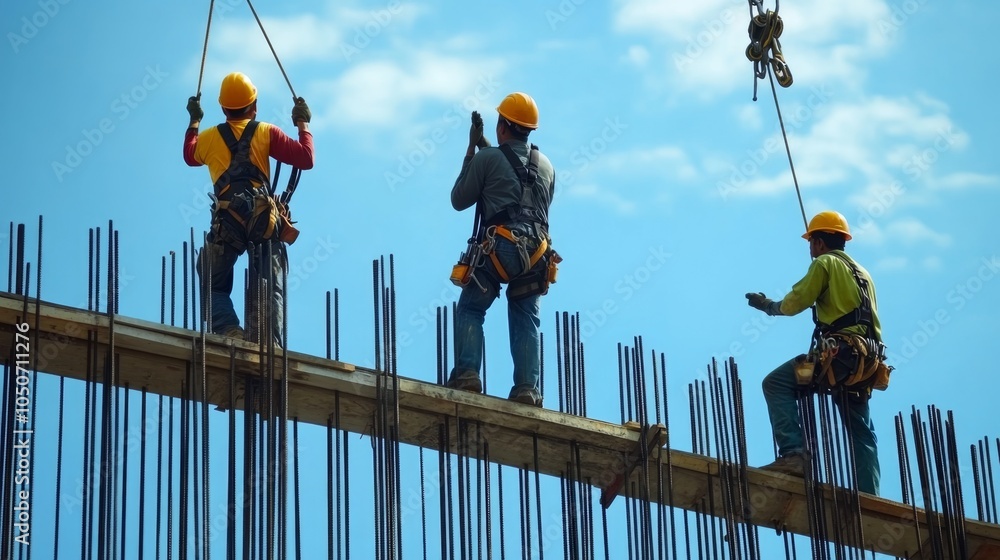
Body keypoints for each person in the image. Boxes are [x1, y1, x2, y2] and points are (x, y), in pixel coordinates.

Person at [745, 210, 884, 495]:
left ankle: (794, 456)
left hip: (838, 355)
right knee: (862, 430)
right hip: (866, 362)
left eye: (811, 243)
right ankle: (870, 495)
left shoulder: (824, 263)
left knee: (776, 383)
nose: (810, 249)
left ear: (819, 243)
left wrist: (768, 306)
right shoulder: (864, 274)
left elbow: (796, 302)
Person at [183, 71, 314, 345]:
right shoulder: (266, 132)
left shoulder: (208, 139)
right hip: (261, 218)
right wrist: (302, 123)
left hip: (227, 221)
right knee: (269, 284)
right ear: (254, 107)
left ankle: (229, 330)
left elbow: (189, 155)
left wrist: (194, 121)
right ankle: (269, 344)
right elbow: (305, 158)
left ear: (222, 108)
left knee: (213, 284)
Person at [446, 92, 557, 407]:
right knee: (525, 315)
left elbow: (459, 199)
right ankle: (527, 389)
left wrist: (473, 152)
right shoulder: (547, 166)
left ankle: (467, 374)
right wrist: (488, 154)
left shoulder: (487, 158)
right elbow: (521, 188)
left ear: (503, 126)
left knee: (471, 307)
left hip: (503, 247)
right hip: (538, 252)